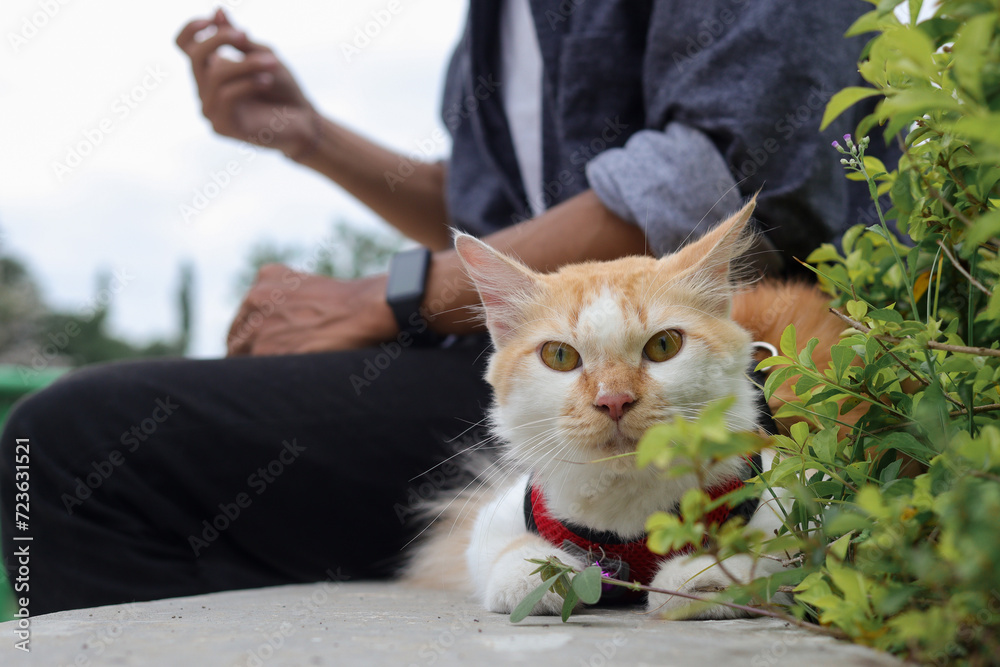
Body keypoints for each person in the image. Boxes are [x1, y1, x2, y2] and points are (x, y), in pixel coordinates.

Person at [2, 1, 882, 614]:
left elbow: (716, 172)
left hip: (739, 378)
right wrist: (310, 136)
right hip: (540, 378)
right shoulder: (492, 27)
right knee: (75, 450)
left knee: (81, 449)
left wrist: (390, 294)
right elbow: (495, 230)